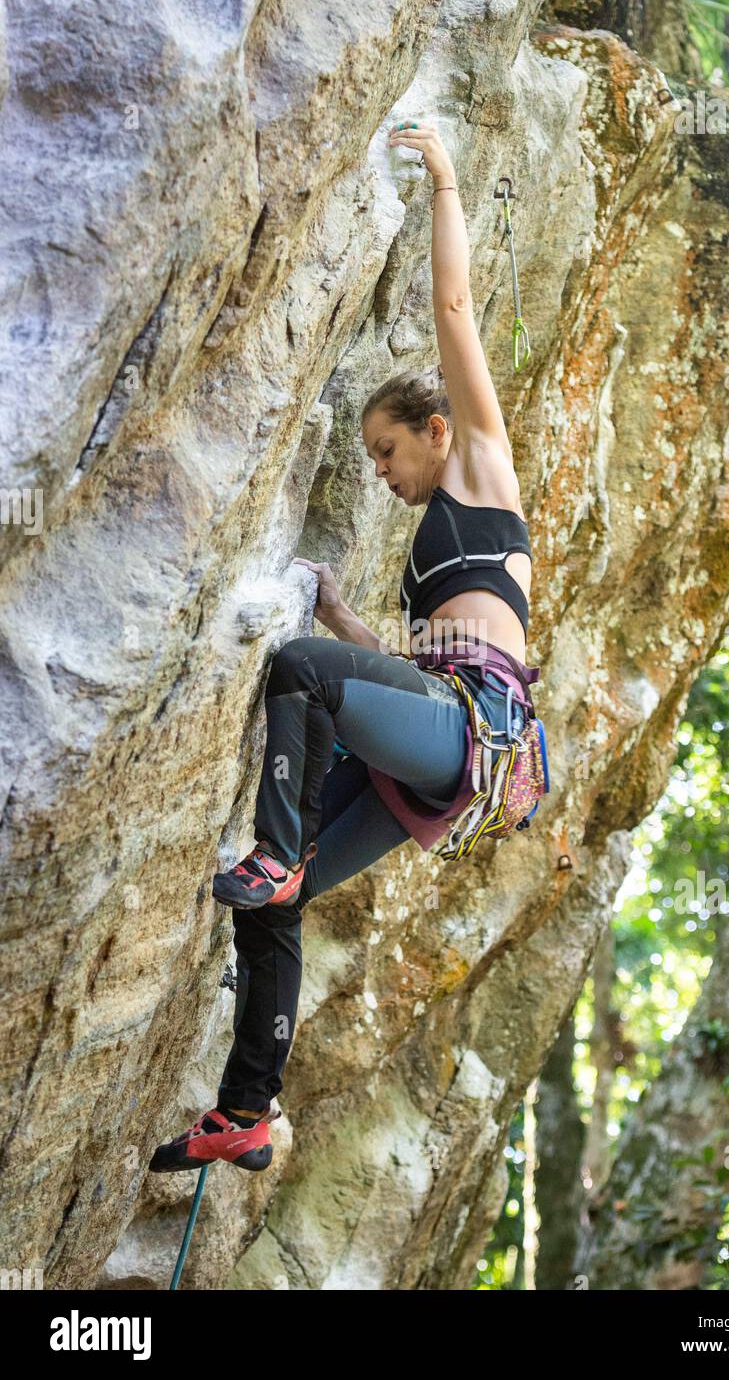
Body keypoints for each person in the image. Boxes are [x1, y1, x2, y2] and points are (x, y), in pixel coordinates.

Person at [149, 120, 535, 1173]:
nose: (378, 471)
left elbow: (452, 309)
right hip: (438, 742)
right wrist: (335, 612)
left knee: (299, 683)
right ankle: (245, 1112)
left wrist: (444, 181)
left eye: (385, 449)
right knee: (280, 902)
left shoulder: (481, 470)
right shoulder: (433, 557)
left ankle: (275, 852)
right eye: (368, 457)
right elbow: (401, 677)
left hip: (472, 734)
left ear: (435, 428)